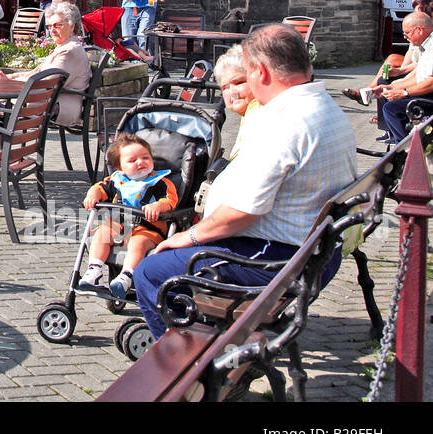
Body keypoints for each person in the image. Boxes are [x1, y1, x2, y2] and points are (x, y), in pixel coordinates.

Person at [133, 25, 357, 340]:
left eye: (247, 74)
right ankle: (207, 338)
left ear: (261, 73)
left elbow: (243, 212)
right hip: (312, 250)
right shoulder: (322, 106)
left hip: (277, 260)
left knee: (151, 272)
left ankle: (194, 372)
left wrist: (189, 237)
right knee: (172, 262)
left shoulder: (285, 122)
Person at [80, 134, 178, 299]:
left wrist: (157, 206)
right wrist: (92, 195)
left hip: (147, 228)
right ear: (120, 167)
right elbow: (98, 188)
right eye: (132, 160)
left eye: (145, 157)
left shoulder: (160, 182)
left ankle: (127, 276)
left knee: (137, 243)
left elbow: (170, 201)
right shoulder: (116, 181)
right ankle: (94, 270)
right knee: (101, 234)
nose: (140, 162)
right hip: (118, 225)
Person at [0, 1, 90, 126]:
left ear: (72, 26)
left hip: (58, 106)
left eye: (57, 25)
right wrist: (12, 77)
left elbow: (46, 80)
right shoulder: (64, 47)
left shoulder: (69, 51)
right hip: (48, 100)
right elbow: (38, 72)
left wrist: (11, 82)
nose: (52, 30)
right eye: (50, 27)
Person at [345, 0, 433, 102]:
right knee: (391, 61)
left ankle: (370, 95)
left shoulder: (424, 25)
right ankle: (369, 94)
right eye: (413, 4)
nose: (415, 7)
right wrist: (401, 70)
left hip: (424, 71)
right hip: (420, 67)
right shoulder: (418, 21)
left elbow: (424, 65)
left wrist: (401, 74)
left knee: (385, 81)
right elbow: (412, 51)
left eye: (416, 3)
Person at [375, 11, 433, 145]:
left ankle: (406, 150)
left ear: (419, 30)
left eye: (407, 33)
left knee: (392, 109)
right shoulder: (426, 46)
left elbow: (430, 83)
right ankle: (399, 142)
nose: (405, 37)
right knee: (387, 96)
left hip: (430, 96)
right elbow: (419, 77)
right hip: (427, 93)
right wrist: (391, 88)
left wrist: (404, 92)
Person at [213, 44, 260, 158]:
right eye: (225, 87)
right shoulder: (249, 114)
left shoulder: (259, 113)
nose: (232, 92)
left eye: (239, 83)